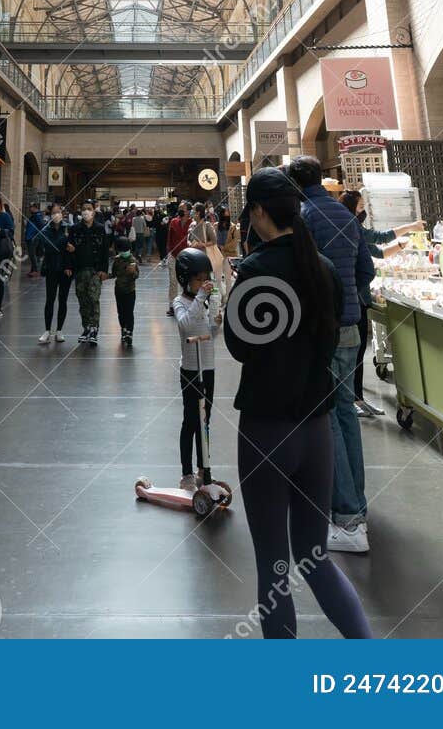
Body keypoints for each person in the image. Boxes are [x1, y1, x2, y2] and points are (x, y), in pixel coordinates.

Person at [224, 168, 371, 640]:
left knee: (273, 567)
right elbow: (329, 343)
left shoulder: (254, 271)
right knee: (315, 557)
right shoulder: (322, 269)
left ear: (259, 213)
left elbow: (240, 348)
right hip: (316, 429)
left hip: (267, 430)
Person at [287, 156, 374, 552]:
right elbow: (366, 269)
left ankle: (348, 520)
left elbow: (302, 273)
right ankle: (357, 504)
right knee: (345, 414)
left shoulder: (303, 217)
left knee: (329, 421)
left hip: (324, 330)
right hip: (352, 326)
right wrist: (352, 302)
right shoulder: (344, 215)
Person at [339, 191, 424, 420]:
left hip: (360, 298)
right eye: (360, 206)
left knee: (356, 353)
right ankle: (351, 399)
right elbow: (379, 238)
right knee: (353, 354)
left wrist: (403, 245)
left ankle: (356, 398)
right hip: (355, 299)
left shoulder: (352, 231)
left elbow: (378, 251)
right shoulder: (353, 227)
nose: (363, 210)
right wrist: (411, 226)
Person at [172, 248, 220, 489]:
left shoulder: (205, 302)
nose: (204, 284)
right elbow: (186, 325)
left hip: (208, 368)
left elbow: (208, 334)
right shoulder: (180, 302)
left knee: (205, 420)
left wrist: (216, 323)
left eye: (205, 279)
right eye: (198, 279)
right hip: (191, 370)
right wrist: (201, 297)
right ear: (185, 279)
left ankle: (204, 467)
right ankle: (187, 473)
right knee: (191, 420)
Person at [66, 201, 108, 346]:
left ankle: (94, 329)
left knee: (93, 299)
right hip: (79, 270)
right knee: (82, 300)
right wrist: (69, 265)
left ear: (93, 212)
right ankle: (86, 328)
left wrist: (104, 270)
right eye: (83, 209)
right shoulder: (74, 229)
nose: (86, 211)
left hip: (95, 270)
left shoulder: (100, 228)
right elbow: (70, 250)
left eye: (89, 209)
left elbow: (104, 251)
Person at [36, 204, 71, 344]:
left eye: (59, 212)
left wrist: (66, 247)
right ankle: (47, 330)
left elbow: (71, 249)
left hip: (66, 270)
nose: (56, 214)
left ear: (63, 214)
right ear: (50, 215)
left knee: (63, 300)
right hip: (51, 269)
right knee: (50, 300)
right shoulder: (45, 230)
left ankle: (59, 330)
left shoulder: (68, 228)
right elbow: (50, 247)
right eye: (54, 212)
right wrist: (64, 242)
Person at [110, 233, 139, 347]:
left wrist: (133, 272)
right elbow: (114, 273)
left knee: (129, 312)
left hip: (130, 291)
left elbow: (137, 276)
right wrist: (106, 276)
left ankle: (130, 332)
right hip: (118, 290)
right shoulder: (117, 260)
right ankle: (123, 329)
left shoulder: (133, 260)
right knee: (120, 312)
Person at [165, 201, 192, 314]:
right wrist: (169, 252)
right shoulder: (173, 221)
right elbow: (169, 238)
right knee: (173, 281)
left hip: (187, 257)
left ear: (188, 211)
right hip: (174, 255)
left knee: (186, 282)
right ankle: (172, 305)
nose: (180, 210)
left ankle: (186, 305)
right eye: (180, 208)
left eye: (183, 208)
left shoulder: (192, 223)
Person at [25, 205, 45, 277]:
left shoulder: (37, 215)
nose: (30, 209)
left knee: (32, 254)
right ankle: (33, 270)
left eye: (31, 207)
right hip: (31, 237)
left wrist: (35, 235)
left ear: (35, 208)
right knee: (33, 254)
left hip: (33, 237)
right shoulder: (35, 215)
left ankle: (36, 270)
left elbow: (41, 226)